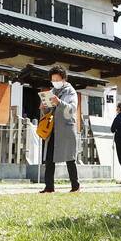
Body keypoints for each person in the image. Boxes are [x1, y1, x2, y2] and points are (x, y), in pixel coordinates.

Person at [39, 66, 80, 194]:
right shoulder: (52, 91)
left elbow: (71, 109)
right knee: (49, 158)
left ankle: (75, 186)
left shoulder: (70, 91)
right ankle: (49, 187)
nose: (55, 82)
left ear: (63, 79)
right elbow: (50, 111)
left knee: (70, 158)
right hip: (53, 128)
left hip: (66, 129)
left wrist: (59, 102)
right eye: (53, 79)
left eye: (57, 79)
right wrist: (44, 107)